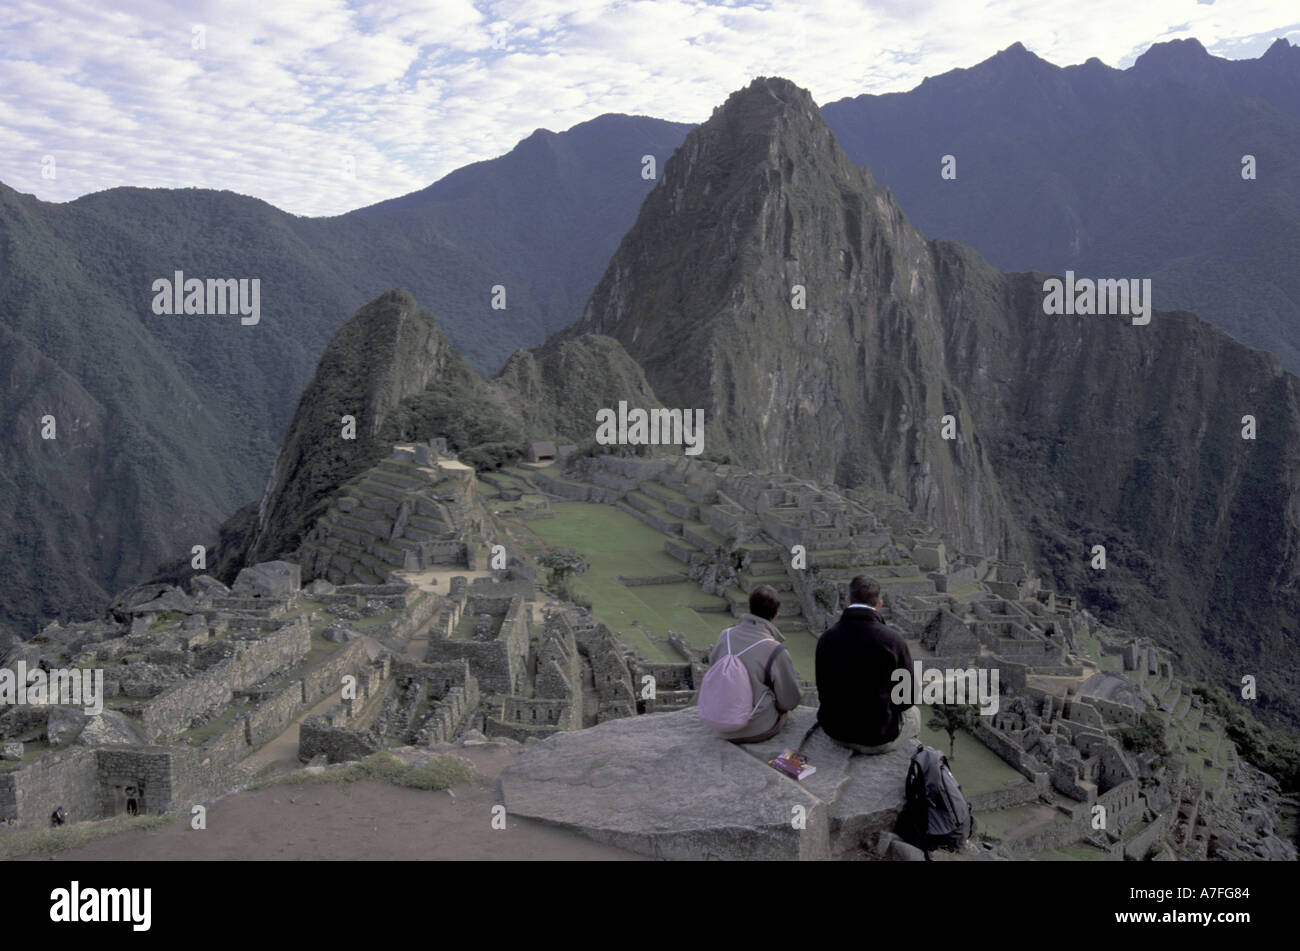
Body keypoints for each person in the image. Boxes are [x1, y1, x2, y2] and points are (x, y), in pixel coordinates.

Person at [815, 576, 921, 754]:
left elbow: (822, 689)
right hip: (878, 737)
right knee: (915, 714)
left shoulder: (827, 638)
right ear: (878, 605)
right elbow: (906, 700)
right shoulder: (894, 641)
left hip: (835, 731)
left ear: (848, 601)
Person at [705, 584, 803, 743]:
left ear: (749, 609)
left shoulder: (725, 636)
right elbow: (789, 701)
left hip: (719, 722)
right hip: (754, 728)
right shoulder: (775, 650)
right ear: (776, 614)